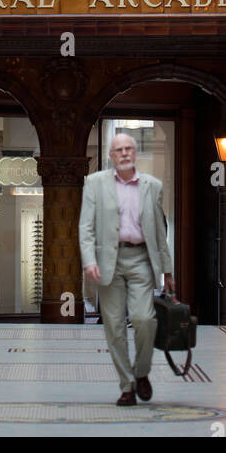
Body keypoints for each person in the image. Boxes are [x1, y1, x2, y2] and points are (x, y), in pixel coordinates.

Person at [79, 132, 174, 406]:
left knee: (145, 320)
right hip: (109, 261)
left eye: (128, 149)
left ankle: (141, 372)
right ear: (111, 155)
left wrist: (167, 270)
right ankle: (127, 385)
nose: (123, 154)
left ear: (135, 153)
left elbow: (158, 231)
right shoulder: (95, 184)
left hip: (141, 259)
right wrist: (89, 260)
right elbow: (86, 226)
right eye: (118, 150)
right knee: (115, 327)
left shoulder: (152, 186)